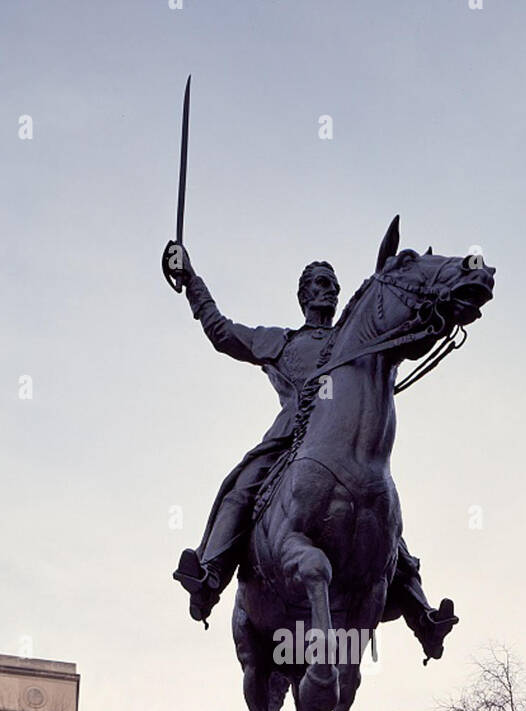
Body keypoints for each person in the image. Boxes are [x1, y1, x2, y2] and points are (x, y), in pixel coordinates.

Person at [165, 244, 457, 659]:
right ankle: (211, 575)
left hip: (347, 445)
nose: (328, 291)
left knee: (382, 518)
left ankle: (420, 613)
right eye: (319, 284)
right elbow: (222, 331)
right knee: (241, 488)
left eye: (333, 285)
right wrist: (191, 281)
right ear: (303, 295)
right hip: (292, 440)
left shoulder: (356, 336)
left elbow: (408, 336)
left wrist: (443, 307)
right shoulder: (280, 343)